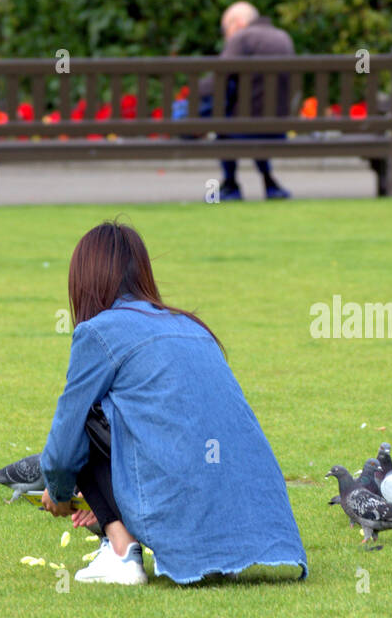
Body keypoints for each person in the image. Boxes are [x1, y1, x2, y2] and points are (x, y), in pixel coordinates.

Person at [39, 220, 308, 585]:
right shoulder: (193, 327)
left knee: (87, 414)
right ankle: (185, 548)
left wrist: (60, 493)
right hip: (257, 518)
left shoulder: (98, 332)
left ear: (83, 281)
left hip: (180, 504)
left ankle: (120, 552)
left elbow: (62, 447)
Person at [205, 1, 295, 202]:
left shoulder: (242, 38)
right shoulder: (283, 37)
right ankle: (269, 182)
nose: (225, 35)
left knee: (224, 121)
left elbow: (217, 81)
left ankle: (230, 184)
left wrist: (193, 97)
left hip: (243, 129)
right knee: (250, 115)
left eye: (224, 29)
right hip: (279, 127)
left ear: (236, 23)